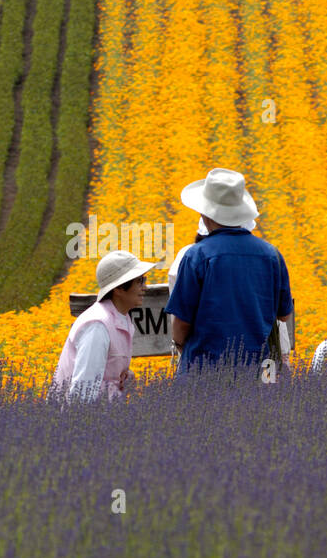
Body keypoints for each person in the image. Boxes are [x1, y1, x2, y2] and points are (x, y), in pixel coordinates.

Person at [166, 168, 294, 375]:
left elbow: (181, 324)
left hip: (205, 371)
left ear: (205, 214)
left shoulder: (196, 256)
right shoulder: (272, 255)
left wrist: (181, 346)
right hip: (260, 371)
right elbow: (284, 315)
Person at [53, 250, 156, 402]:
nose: (145, 287)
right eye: (140, 281)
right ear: (119, 288)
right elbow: (83, 392)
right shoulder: (97, 325)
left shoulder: (121, 318)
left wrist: (128, 378)